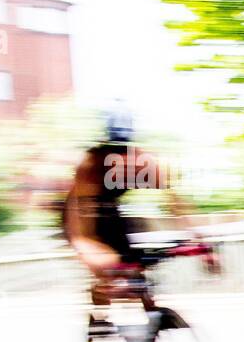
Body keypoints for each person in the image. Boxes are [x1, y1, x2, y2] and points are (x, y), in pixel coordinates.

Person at [64, 107, 217, 299]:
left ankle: (153, 318)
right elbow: (81, 223)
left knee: (137, 279)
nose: (121, 161)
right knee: (110, 271)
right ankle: (101, 320)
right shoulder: (91, 164)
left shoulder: (142, 162)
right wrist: (89, 250)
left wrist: (199, 242)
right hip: (81, 214)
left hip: (110, 211)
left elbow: (176, 205)